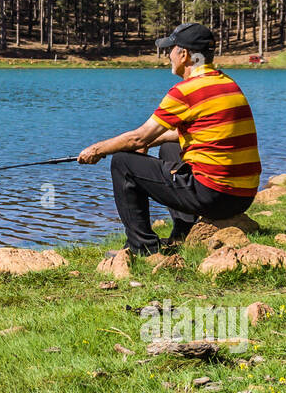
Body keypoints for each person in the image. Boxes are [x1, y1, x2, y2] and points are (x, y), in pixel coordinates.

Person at [77, 22, 261, 255]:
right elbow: (187, 132)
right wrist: (148, 142)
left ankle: (141, 247)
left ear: (184, 55)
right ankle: (183, 232)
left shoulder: (187, 91)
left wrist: (97, 150)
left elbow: (137, 138)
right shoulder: (226, 83)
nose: (168, 56)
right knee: (169, 148)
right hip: (242, 196)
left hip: (215, 196)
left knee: (123, 163)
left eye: (170, 49)